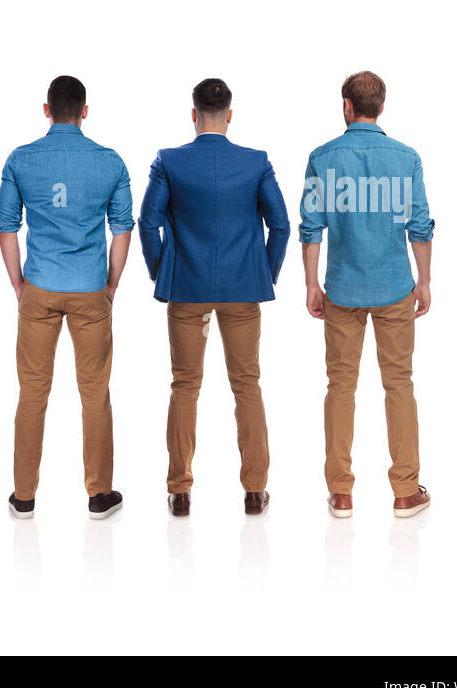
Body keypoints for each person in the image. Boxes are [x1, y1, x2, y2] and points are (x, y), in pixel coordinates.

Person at [138, 78, 290, 517]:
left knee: (184, 386)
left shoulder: (170, 161)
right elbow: (280, 225)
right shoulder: (255, 162)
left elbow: (149, 224)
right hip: (243, 288)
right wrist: (264, 272)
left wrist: (161, 270)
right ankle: (255, 490)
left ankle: (180, 491)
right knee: (247, 385)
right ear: (230, 115)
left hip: (186, 286)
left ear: (193, 114)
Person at [0, 75, 133, 521]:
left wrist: (18, 283)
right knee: (95, 393)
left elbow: (7, 227)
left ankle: (24, 496)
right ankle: (98, 494)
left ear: (47, 109)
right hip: (91, 287)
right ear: (84, 111)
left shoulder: (21, 159)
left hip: (39, 286)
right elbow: (122, 229)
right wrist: (110, 285)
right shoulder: (110, 162)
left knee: (32, 392)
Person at [299, 71, 435, 519]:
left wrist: (311, 283)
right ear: (381, 106)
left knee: (340, 386)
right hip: (395, 286)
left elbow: (311, 227)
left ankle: (340, 492)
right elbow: (420, 226)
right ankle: (404, 490)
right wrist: (425, 280)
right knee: (399, 385)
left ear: (346, 105)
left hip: (342, 289)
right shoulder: (406, 158)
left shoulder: (323, 157)